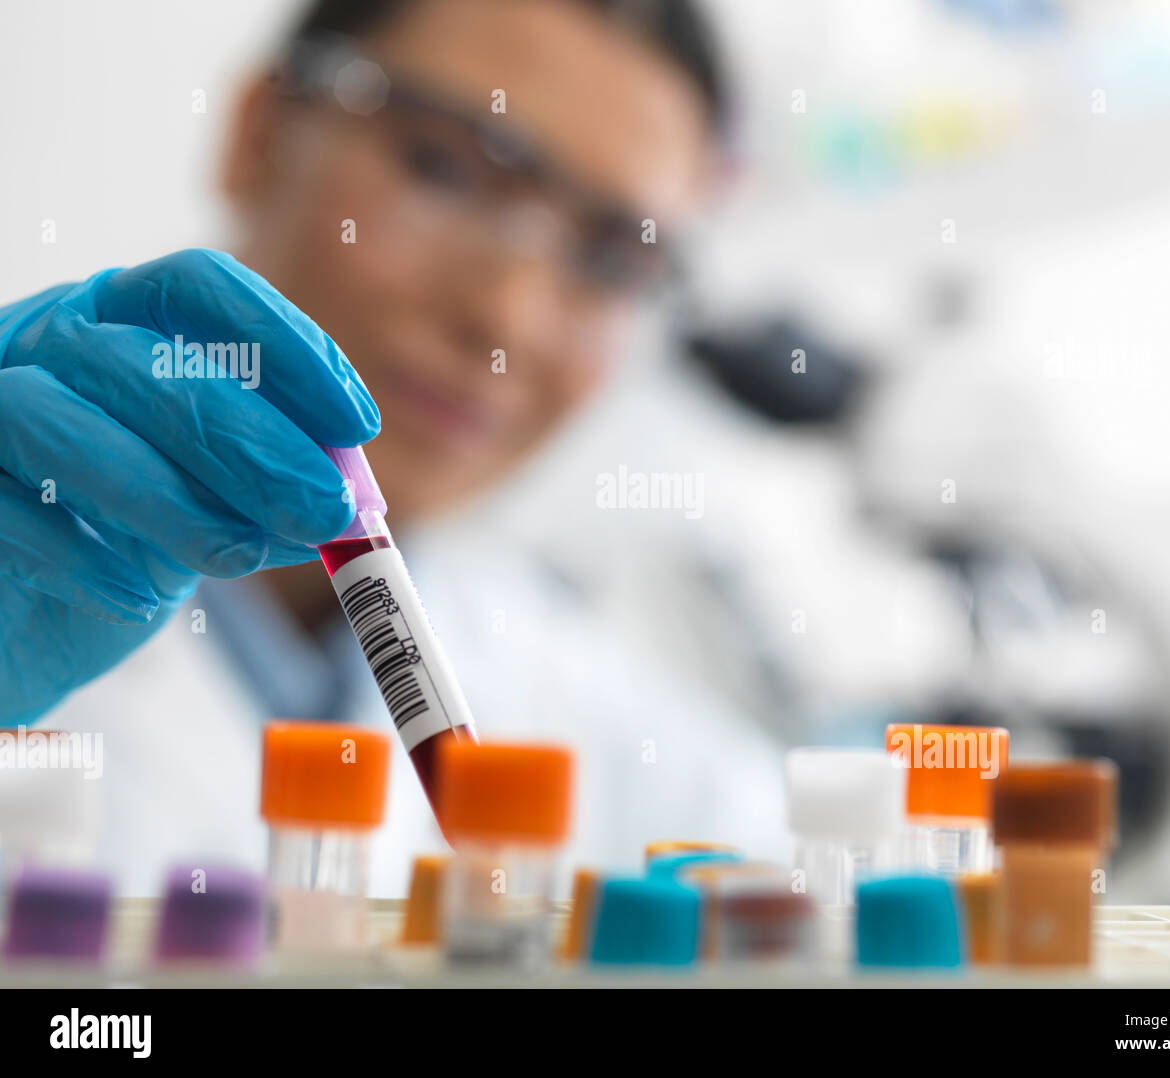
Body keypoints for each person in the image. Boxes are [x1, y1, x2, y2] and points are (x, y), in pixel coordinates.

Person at [0, 0, 789, 894]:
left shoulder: (668, 784)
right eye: (442, 168)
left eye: (610, 261)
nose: (506, 316)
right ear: (260, 135)